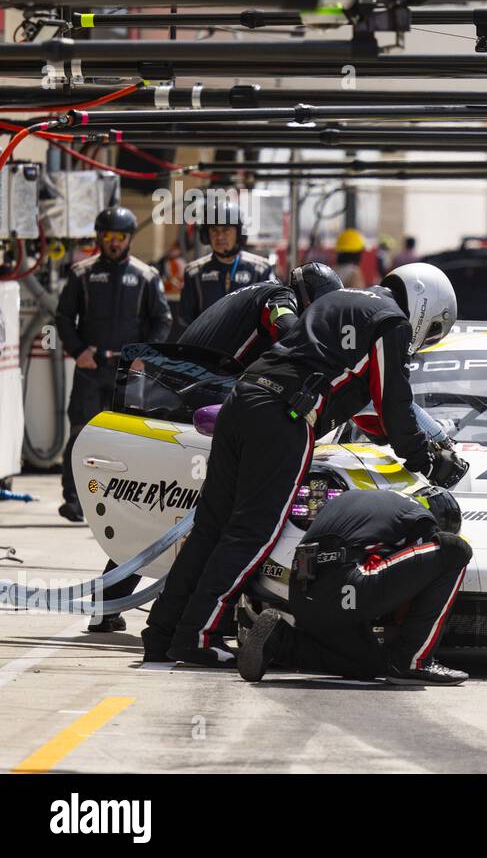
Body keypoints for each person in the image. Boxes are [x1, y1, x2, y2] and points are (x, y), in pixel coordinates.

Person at [141, 263, 462, 667]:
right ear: (424, 304)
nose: (426, 338)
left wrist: (404, 437)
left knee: (211, 526)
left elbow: (360, 398)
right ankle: (197, 636)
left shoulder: (341, 301)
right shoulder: (391, 322)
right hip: (284, 418)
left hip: (243, 401)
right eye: (432, 329)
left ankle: (161, 634)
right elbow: (394, 403)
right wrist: (425, 458)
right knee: (252, 533)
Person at [54, 205, 172, 631]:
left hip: (129, 374)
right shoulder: (82, 272)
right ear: (99, 236)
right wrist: (77, 350)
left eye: (120, 236)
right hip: (89, 369)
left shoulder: (146, 275)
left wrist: (145, 359)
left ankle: (117, 499)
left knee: (127, 445)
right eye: (107, 235)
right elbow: (63, 317)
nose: (113, 241)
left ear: (128, 238)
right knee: (80, 434)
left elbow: (162, 322)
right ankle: (74, 499)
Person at [237, 488, 471, 685]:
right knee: (455, 551)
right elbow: (412, 587)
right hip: (344, 580)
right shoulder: (421, 518)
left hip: (301, 592)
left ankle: (279, 640)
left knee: (371, 664)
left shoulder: (366, 503)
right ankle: (414, 661)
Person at [177, 263, 342, 368]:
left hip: (187, 370)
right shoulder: (281, 295)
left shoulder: (263, 291)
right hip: (196, 377)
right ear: (308, 295)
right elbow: (284, 324)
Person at [177, 200, 274, 330]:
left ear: (239, 233)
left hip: (248, 347)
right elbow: (185, 320)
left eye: (226, 230)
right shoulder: (194, 272)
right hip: (207, 346)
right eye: (214, 230)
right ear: (206, 235)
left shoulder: (261, 270)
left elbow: (272, 313)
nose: (219, 236)